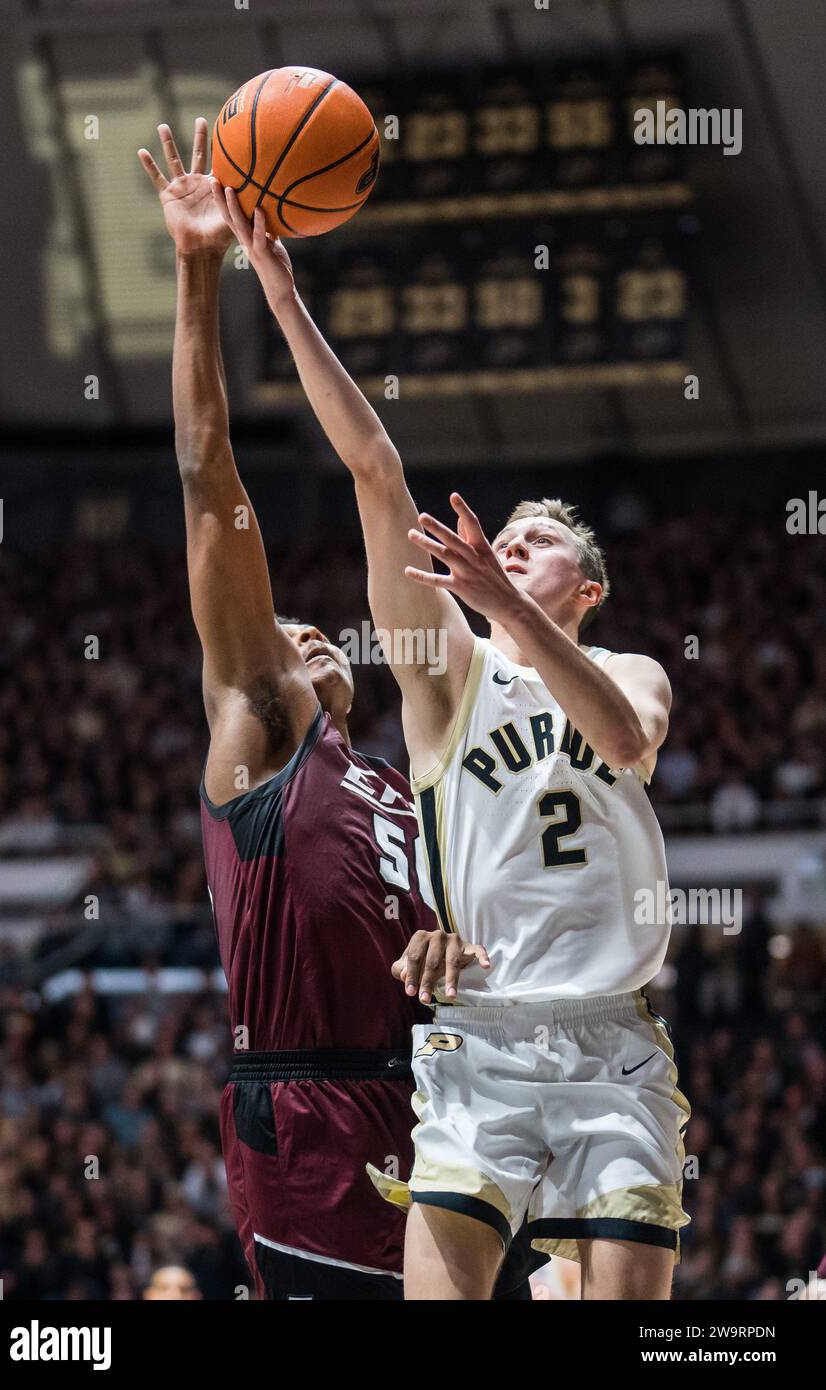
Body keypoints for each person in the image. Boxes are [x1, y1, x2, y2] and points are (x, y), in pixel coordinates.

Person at [215, 179, 691, 1301]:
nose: (514, 548)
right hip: (476, 1043)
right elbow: (376, 475)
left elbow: (620, 738)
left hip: (612, 1042)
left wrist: (505, 601)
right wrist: (284, 299)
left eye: (538, 544)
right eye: (505, 542)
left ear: (592, 586)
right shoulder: (443, 681)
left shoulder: (629, 670)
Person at [138, 119, 541, 1301]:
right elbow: (208, 476)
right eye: (291, 629)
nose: (308, 630)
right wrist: (200, 270)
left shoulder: (408, 767)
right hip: (309, 1110)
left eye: (326, 631)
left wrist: (463, 953)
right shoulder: (263, 722)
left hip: (446, 1092)